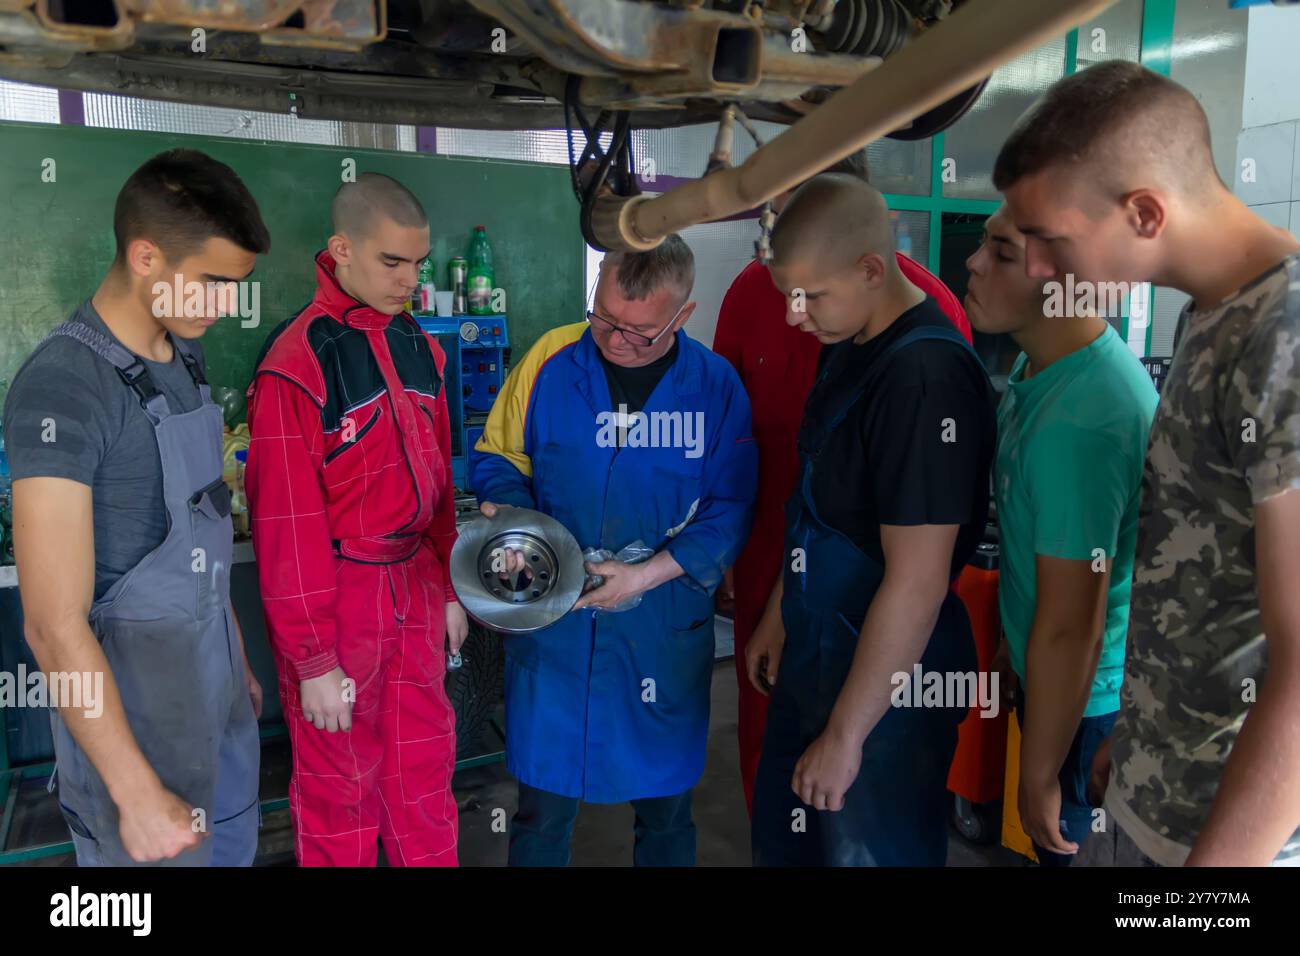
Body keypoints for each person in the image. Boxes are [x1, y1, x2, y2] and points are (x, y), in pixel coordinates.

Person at [995, 59, 1300, 866]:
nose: (1035, 270)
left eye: (1049, 240)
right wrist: (1135, 744)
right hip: (1152, 792)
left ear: (1144, 212)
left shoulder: (1287, 335)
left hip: (1226, 841)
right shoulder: (1211, 313)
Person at [4, 149, 268, 865]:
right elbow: (52, 627)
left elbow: (204, 533)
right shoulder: (62, 389)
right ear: (146, 255)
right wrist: (135, 793)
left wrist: (235, 657)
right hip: (135, 737)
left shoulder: (183, 358)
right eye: (212, 283)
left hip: (215, 705)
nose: (226, 306)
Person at [471, 235, 756, 866]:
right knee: (541, 817)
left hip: (657, 631)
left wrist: (647, 575)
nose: (615, 340)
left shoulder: (715, 389)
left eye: (640, 331)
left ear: (683, 316)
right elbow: (497, 457)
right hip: (556, 630)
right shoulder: (550, 359)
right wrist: (519, 527)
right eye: (604, 317)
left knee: (666, 815)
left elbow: (730, 508)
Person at [712, 149, 972, 813]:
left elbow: (916, 577)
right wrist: (774, 604)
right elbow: (802, 488)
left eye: (811, 298)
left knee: (862, 826)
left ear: (869, 266)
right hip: (799, 605)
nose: (795, 317)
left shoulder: (923, 369)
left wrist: (849, 732)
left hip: (876, 647)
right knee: (781, 801)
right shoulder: (839, 337)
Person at [246, 173, 466, 866]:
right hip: (340, 600)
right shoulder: (295, 365)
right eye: (391, 262)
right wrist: (312, 661)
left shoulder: (422, 348)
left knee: (424, 777)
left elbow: (439, 487)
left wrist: (453, 589)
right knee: (342, 791)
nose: (409, 280)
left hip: (419, 589)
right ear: (341, 249)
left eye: (419, 264)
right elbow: (287, 528)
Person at [964, 204, 1157, 865]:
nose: (972, 263)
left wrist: (1040, 772)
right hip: (1059, 683)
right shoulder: (1039, 369)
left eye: (1001, 253)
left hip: (1089, 706)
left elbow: (1074, 626)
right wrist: (1017, 653)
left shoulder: (1083, 423)